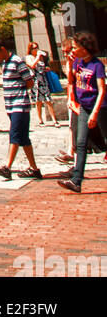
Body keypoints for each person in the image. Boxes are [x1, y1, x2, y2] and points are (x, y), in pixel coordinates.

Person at [0, 30, 42, 180]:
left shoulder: (17, 61)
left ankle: (8, 166)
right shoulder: (5, 64)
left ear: (3, 49)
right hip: (11, 106)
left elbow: (29, 81)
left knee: (15, 135)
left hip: (20, 105)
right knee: (23, 138)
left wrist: (20, 92)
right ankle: (34, 168)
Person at [58, 31, 106, 194]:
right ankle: (76, 181)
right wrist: (69, 63)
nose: (72, 50)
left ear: (84, 48)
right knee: (80, 143)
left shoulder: (97, 65)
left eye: (75, 47)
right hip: (84, 107)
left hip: (99, 108)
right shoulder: (77, 62)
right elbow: (71, 79)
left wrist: (95, 113)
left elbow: (102, 90)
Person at [55, 38, 78, 167]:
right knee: (71, 127)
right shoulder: (70, 62)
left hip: (82, 100)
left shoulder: (80, 62)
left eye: (67, 51)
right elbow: (69, 81)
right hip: (73, 99)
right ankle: (71, 151)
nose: (65, 54)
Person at [25, 42, 58, 126]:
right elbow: (32, 65)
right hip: (35, 81)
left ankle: (54, 120)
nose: (36, 49)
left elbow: (42, 67)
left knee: (48, 100)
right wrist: (37, 57)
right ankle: (40, 120)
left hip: (43, 80)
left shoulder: (41, 58)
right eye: (34, 48)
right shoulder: (29, 57)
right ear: (30, 50)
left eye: (37, 47)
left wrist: (46, 68)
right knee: (38, 101)